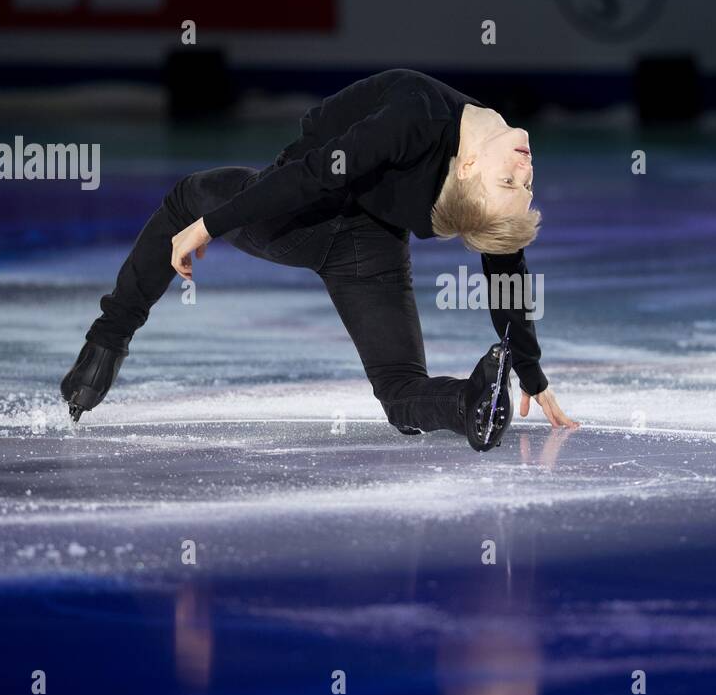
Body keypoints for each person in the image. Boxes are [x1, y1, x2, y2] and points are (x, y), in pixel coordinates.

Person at [60, 68, 578, 451]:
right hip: (347, 232)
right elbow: (318, 174)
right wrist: (210, 225)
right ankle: (104, 348)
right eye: (515, 182)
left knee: (187, 197)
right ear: (464, 166)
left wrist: (525, 367)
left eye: (519, 184)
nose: (522, 170)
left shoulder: (428, 123)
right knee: (398, 391)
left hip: (311, 223)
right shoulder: (428, 124)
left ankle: (469, 404)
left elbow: (504, 261)